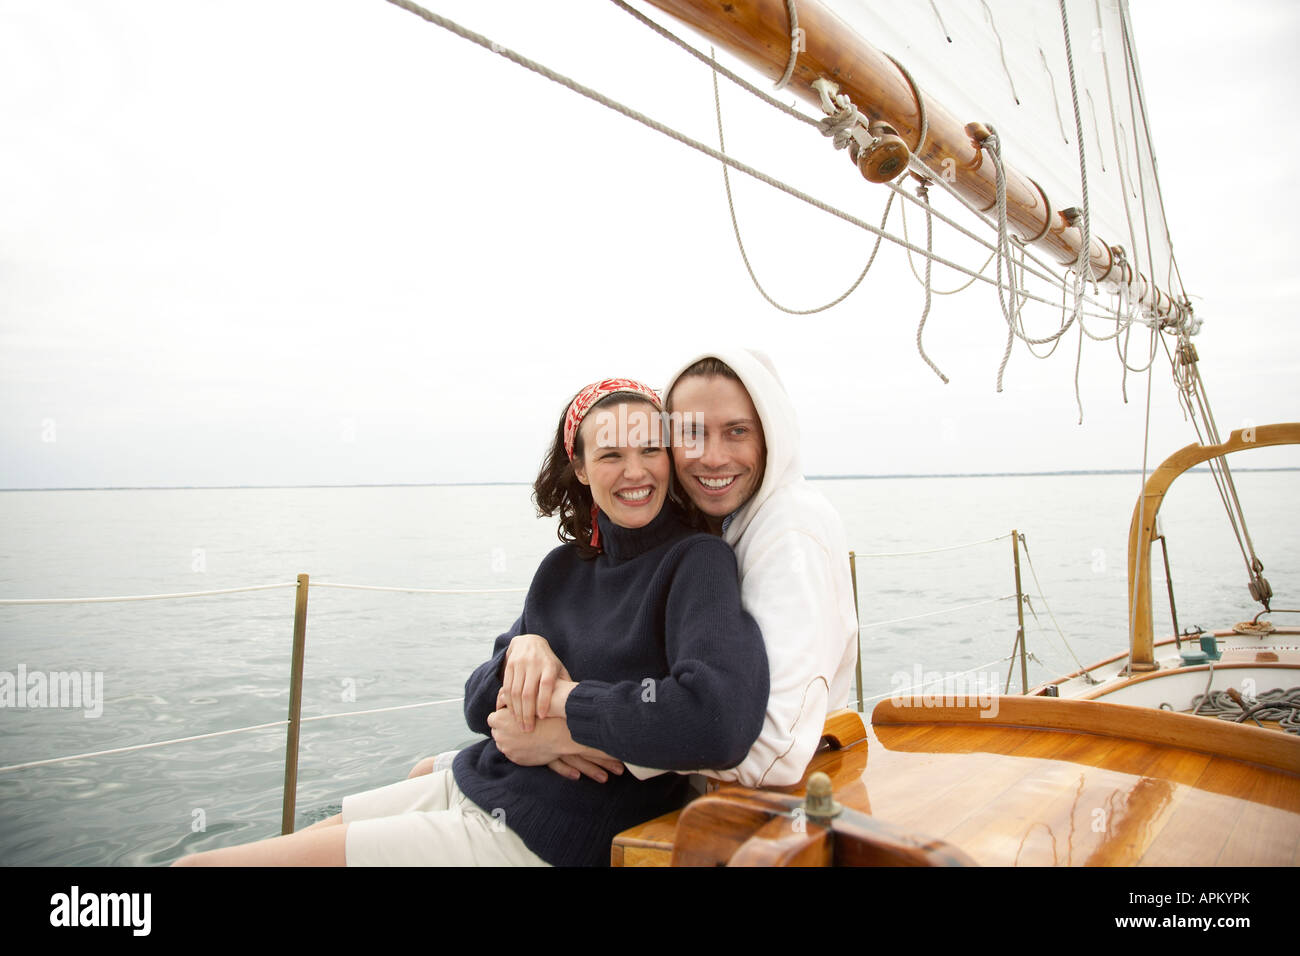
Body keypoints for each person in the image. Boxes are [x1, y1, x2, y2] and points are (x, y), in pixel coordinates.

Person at [173, 378, 767, 867]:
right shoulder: (562, 570)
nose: (635, 471)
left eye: (649, 449)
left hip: (542, 836)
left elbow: (715, 720)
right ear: (581, 470)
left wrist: (564, 710)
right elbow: (476, 704)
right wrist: (523, 651)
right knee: (301, 839)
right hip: (488, 783)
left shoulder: (695, 562)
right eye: (611, 454)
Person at [651, 349, 859, 788]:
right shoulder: (702, 527)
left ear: (771, 436)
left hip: (763, 815)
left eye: (737, 431)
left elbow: (773, 748)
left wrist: (577, 736)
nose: (711, 458)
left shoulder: (790, 530)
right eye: (690, 433)